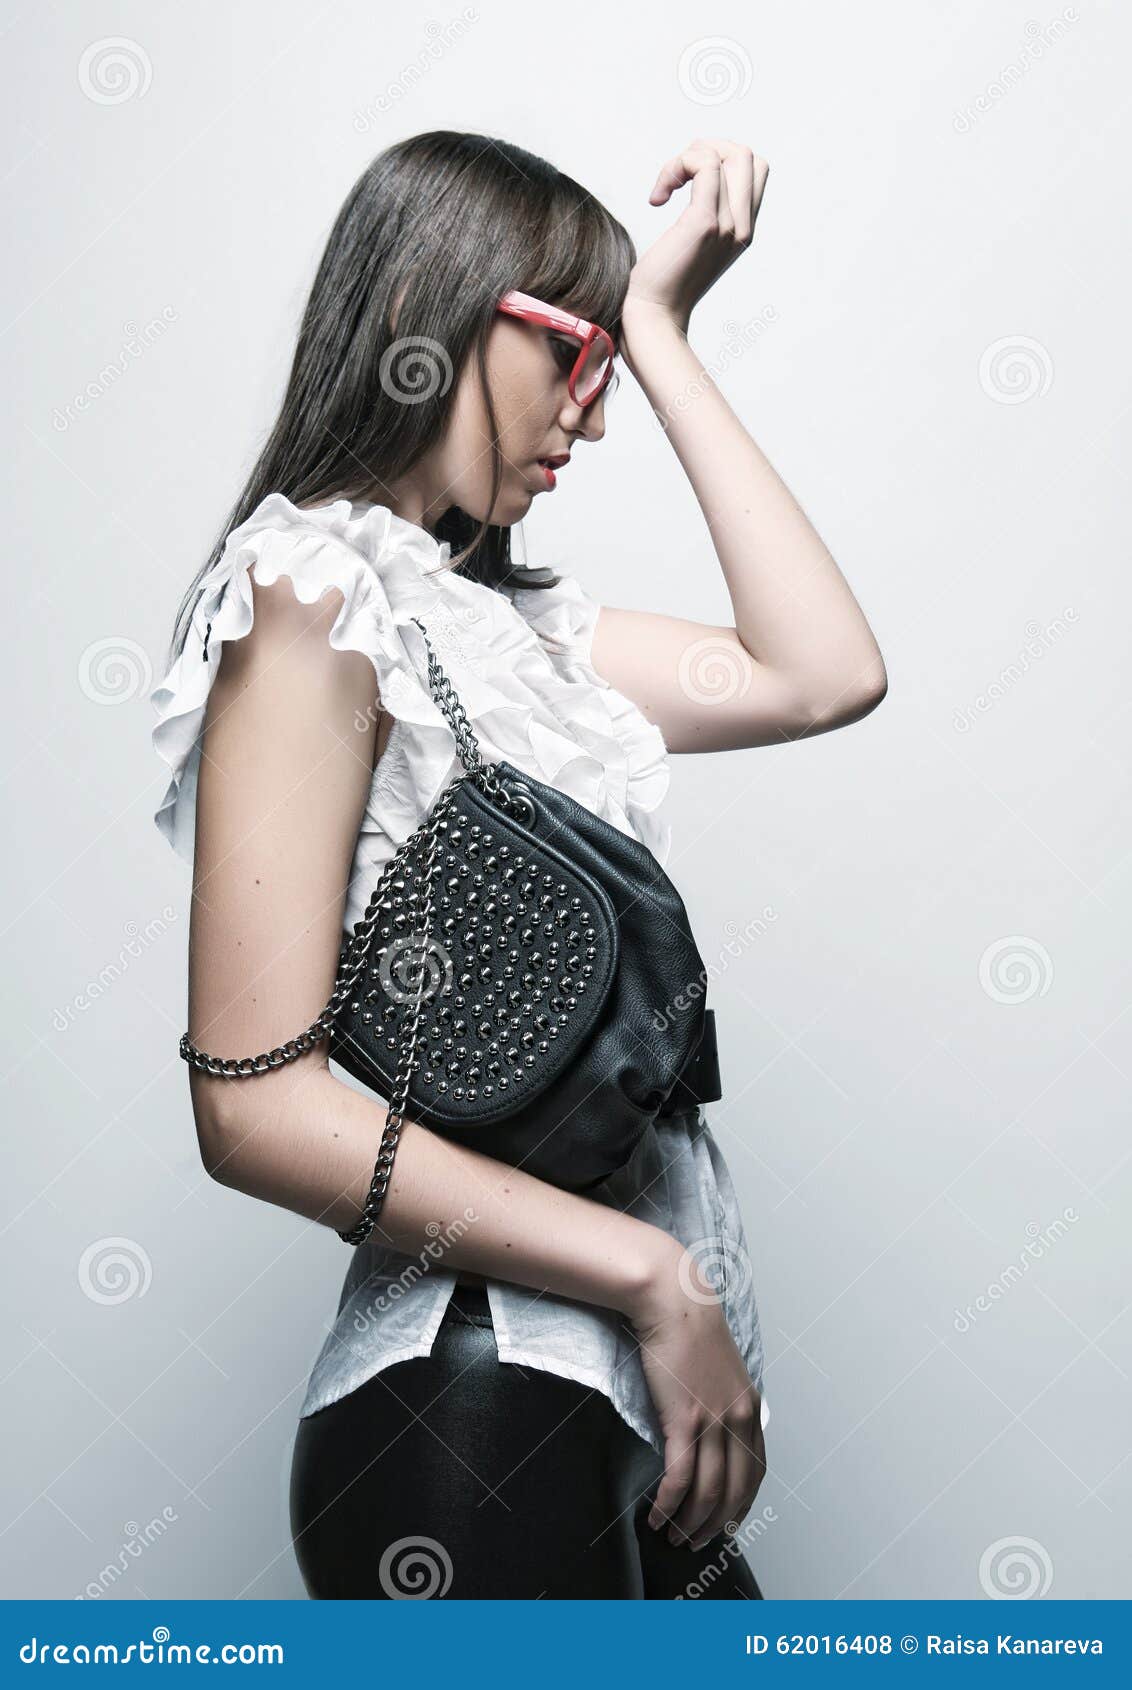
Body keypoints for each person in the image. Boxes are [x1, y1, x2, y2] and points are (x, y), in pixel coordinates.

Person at [150, 130, 887, 1600]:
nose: (592, 417)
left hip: (630, 1413)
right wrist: (653, 1278)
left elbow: (821, 672)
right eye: (575, 356)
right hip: (474, 1406)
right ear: (446, 301)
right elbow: (253, 1105)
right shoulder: (314, 601)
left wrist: (665, 331)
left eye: (611, 367)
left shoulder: (514, 631)